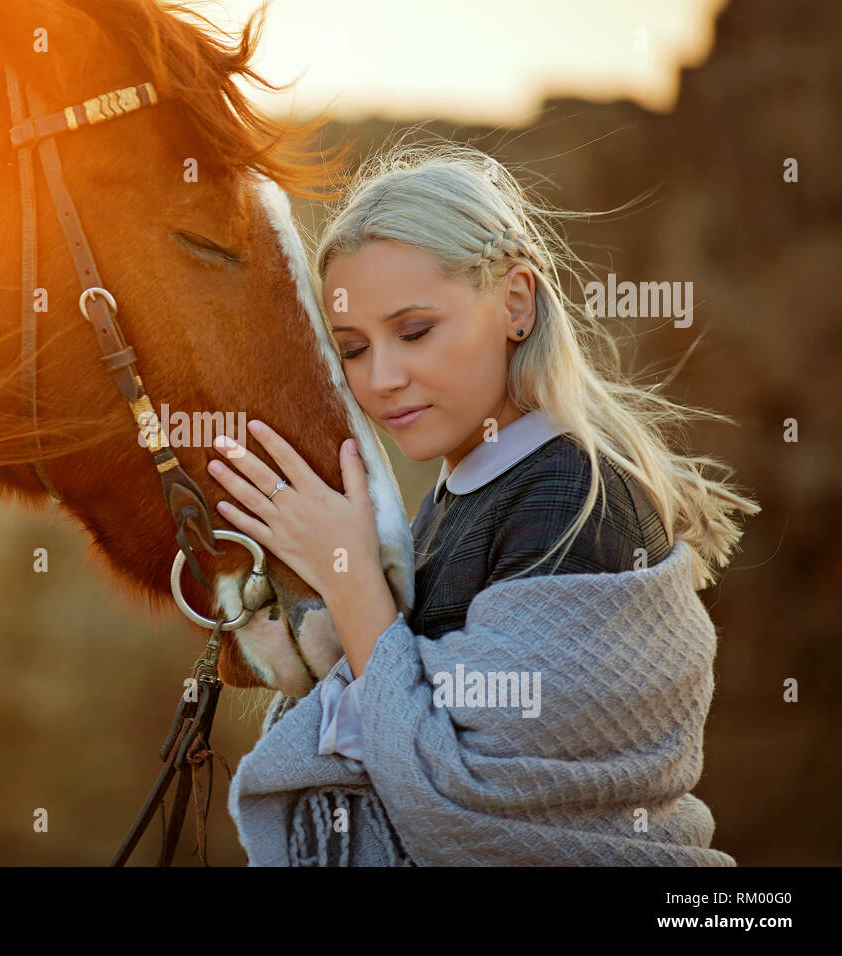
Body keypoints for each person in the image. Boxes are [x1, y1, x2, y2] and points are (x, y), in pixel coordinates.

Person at [211, 141, 760, 866]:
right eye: (351, 348)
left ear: (515, 304)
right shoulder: (457, 497)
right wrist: (316, 657)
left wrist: (348, 581)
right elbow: (409, 726)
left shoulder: (573, 499)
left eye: (415, 331)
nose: (382, 378)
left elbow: (469, 804)